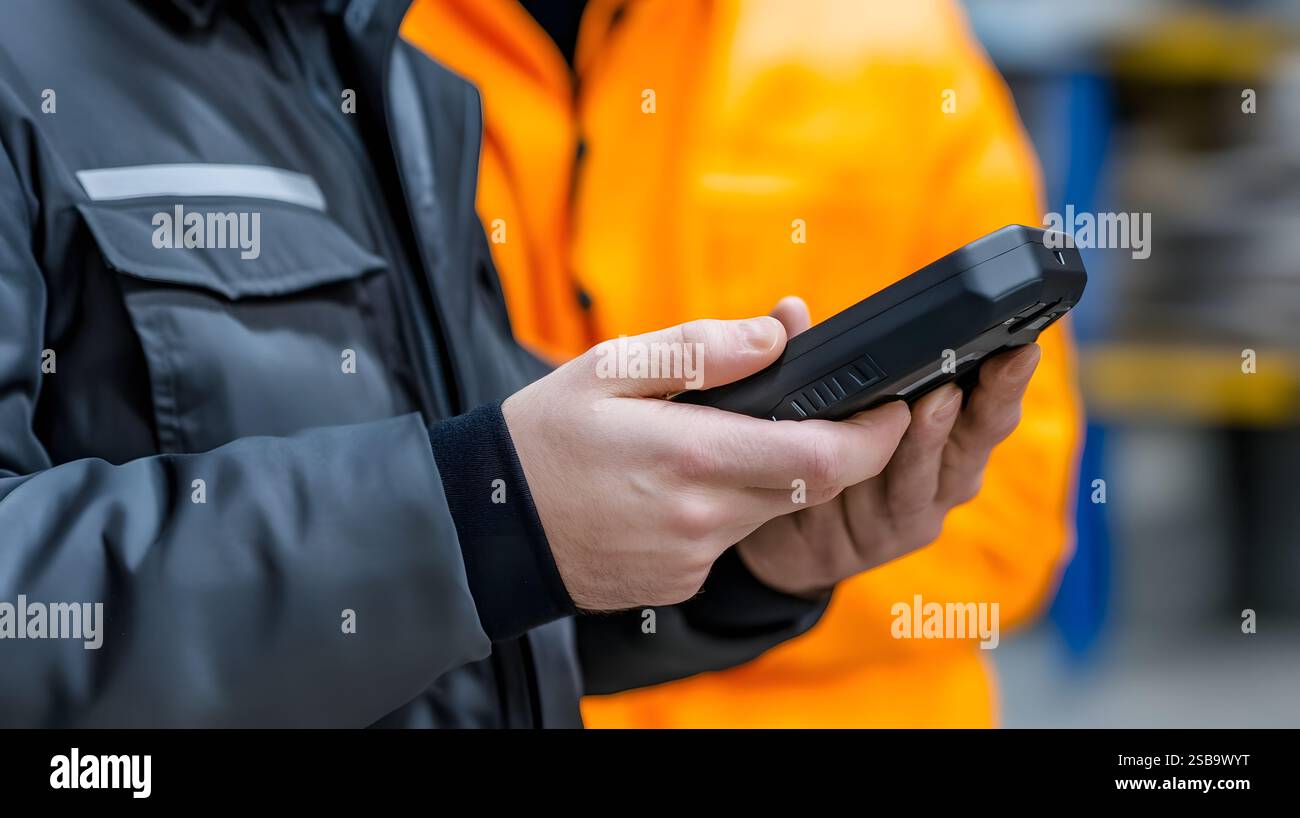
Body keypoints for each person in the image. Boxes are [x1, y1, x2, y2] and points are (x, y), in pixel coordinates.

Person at [402, 0, 1082, 727]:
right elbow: (341, 558)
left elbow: (1012, 526)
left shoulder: (888, 34)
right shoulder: (351, 55)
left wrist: (758, 572)